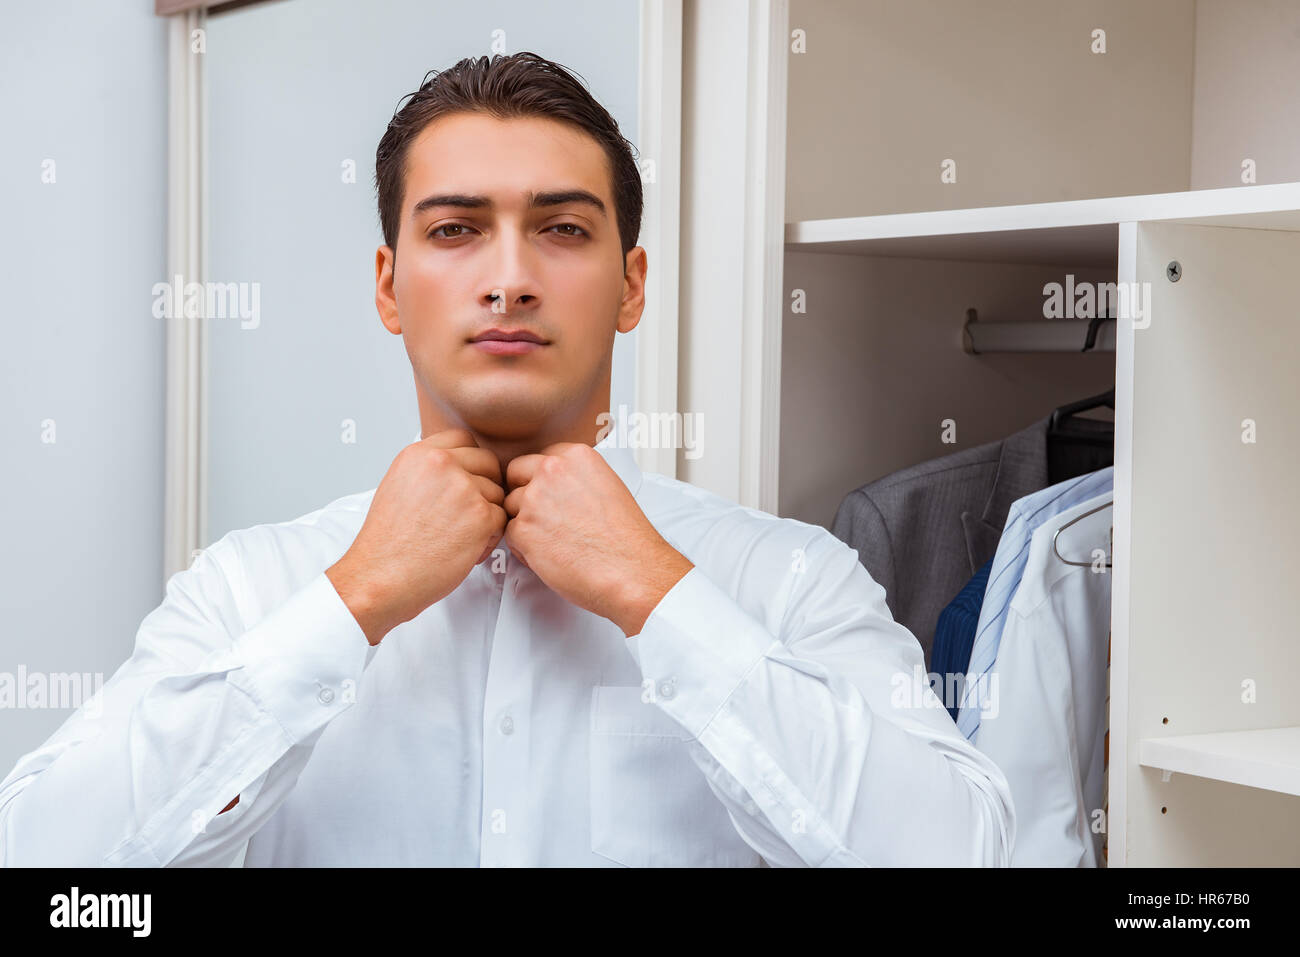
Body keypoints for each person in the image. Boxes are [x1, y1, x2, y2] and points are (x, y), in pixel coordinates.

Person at [0, 52, 1013, 866]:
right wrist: (352, 601)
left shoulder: (789, 582)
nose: (511, 279)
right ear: (391, 287)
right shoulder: (249, 591)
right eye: (457, 230)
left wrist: (660, 597)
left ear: (630, 284)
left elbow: (965, 856)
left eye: (562, 229)